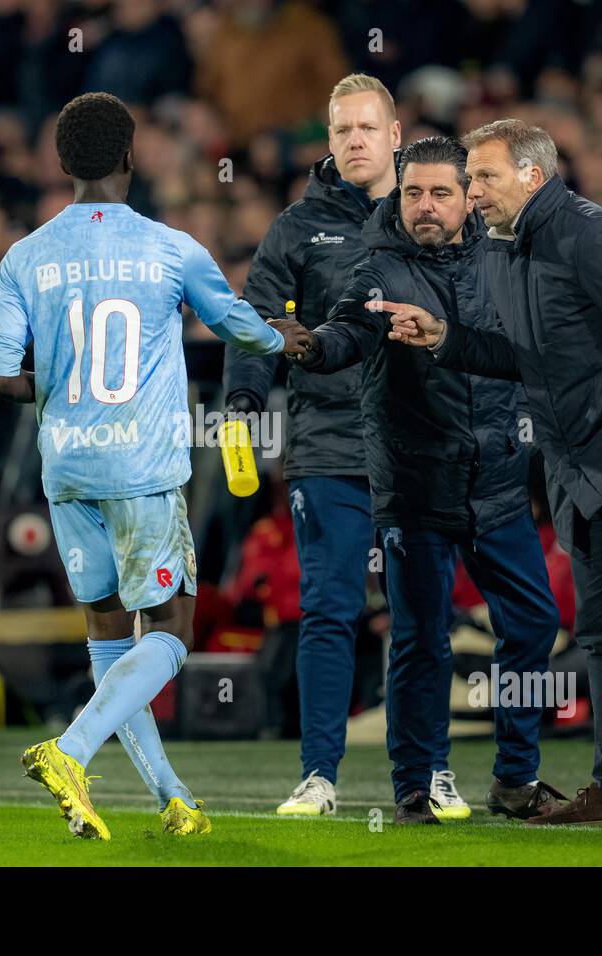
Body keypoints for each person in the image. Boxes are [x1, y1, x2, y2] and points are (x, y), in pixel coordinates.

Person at [380, 118, 602, 829]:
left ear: (532, 176)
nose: (472, 193)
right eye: (471, 179)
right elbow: (523, 357)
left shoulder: (595, 235)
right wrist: (446, 338)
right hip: (576, 461)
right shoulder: (505, 253)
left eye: (484, 177)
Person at [0, 92, 310, 840]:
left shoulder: (23, 257)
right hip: (142, 469)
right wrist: (285, 338)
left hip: (65, 470)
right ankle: (69, 751)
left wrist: (60, 380)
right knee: (169, 630)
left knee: (108, 640)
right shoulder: (170, 247)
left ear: (63, 165)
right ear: (131, 158)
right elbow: (235, 324)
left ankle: (173, 796)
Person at [290, 137, 565, 825]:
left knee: (534, 622)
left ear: (468, 196)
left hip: (497, 482)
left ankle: (515, 777)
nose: (426, 207)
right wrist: (314, 346)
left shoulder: (504, 261)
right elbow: (351, 329)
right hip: (416, 489)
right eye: (413, 193)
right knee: (420, 638)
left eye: (441, 193)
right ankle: (416, 782)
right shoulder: (378, 270)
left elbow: (529, 354)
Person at [224, 72, 403, 817]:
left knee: (424, 614)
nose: (354, 140)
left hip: (418, 446)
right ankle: (319, 775)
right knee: (328, 608)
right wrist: (240, 403)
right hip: (327, 446)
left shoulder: (434, 212)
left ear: (396, 134)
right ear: (329, 140)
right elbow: (255, 321)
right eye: (341, 130)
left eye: (367, 127)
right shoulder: (297, 227)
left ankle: (424, 778)